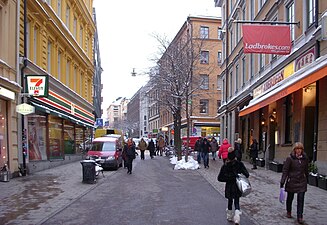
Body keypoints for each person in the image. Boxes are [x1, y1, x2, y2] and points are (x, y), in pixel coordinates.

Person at [218, 147, 249, 225]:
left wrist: (229, 178)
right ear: (235, 156)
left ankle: (229, 216)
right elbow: (247, 174)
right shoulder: (240, 164)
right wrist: (239, 176)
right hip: (237, 186)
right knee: (237, 201)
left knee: (230, 201)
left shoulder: (225, 166)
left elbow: (219, 178)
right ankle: (237, 217)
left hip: (229, 187)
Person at [280, 142, 309, 224]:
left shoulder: (305, 158)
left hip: (302, 181)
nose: (299, 151)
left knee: (301, 199)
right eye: (297, 149)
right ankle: (289, 211)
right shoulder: (290, 159)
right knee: (290, 198)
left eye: (300, 149)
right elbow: (285, 170)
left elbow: (306, 169)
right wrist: (283, 181)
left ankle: (300, 216)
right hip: (292, 181)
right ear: (294, 150)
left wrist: (307, 178)